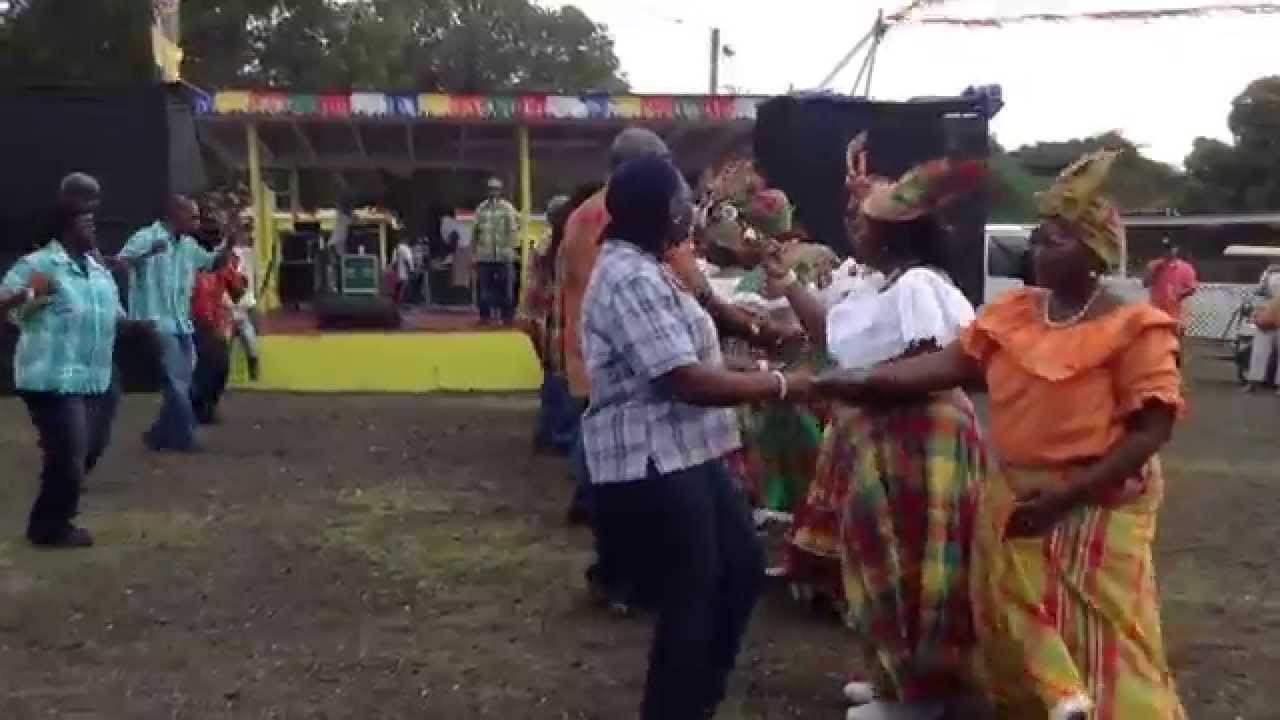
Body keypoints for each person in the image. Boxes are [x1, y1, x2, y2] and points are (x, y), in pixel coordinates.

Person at [817, 150, 1187, 720]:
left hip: (1097, 503)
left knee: (1107, 626)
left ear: (1095, 253)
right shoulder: (1015, 313)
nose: (1039, 251)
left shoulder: (1136, 327)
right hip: (1017, 492)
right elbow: (946, 366)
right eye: (1037, 239)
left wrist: (1069, 495)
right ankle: (1054, 702)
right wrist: (852, 381)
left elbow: (1152, 428)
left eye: (1057, 241)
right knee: (1009, 614)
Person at [580, 154, 812, 720]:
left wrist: (761, 369)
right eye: (681, 200)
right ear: (658, 211)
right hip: (651, 460)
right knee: (696, 593)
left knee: (739, 574)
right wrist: (782, 384)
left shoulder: (650, 265)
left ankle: (697, 703)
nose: (690, 210)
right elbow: (683, 379)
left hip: (687, 451)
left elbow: (696, 356)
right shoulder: (627, 276)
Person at [774, 146, 989, 719]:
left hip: (921, 437)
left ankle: (919, 698)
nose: (852, 229)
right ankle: (892, 678)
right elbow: (833, 336)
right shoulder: (880, 286)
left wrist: (853, 385)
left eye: (859, 221)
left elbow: (933, 363)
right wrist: (788, 284)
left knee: (916, 568)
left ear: (890, 233)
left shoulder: (920, 285)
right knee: (878, 562)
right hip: (884, 435)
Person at [0, 193, 125, 547]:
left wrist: (141, 329)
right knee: (69, 453)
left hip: (96, 378)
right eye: (86, 221)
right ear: (67, 226)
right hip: (50, 378)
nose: (93, 228)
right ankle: (52, 527)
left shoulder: (98, 271)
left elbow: (114, 317)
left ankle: (51, 515)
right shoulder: (39, 264)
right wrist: (27, 293)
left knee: (87, 449)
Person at [114, 195, 232, 453]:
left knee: (183, 382)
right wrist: (147, 252)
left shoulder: (188, 246)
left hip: (181, 323)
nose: (197, 222)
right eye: (192, 216)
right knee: (177, 382)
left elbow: (212, 263)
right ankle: (185, 438)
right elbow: (120, 263)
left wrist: (230, 242)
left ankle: (158, 435)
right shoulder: (146, 237)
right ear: (175, 214)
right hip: (155, 321)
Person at [516, 193, 575, 455]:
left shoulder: (545, 244)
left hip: (545, 319)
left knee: (552, 377)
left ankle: (548, 433)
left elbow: (534, 290)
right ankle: (558, 437)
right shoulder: (566, 245)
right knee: (563, 380)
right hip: (559, 319)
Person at [189, 214, 248, 425]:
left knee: (219, 366)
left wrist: (241, 279)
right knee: (207, 367)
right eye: (208, 233)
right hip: (191, 321)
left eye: (215, 234)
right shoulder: (187, 258)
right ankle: (198, 407)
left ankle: (206, 406)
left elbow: (238, 291)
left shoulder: (221, 263)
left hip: (212, 323)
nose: (212, 237)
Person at [472, 177, 520, 326]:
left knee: (506, 289)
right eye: (491, 188)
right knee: (483, 289)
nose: (493, 191)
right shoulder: (480, 209)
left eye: (496, 189)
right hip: (484, 255)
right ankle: (484, 317)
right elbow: (475, 232)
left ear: (500, 191)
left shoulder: (508, 208)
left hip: (504, 256)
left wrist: (512, 250)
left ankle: (507, 318)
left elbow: (513, 231)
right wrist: (473, 254)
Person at [1144, 238, 1198, 332]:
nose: (1167, 251)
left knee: (1173, 343)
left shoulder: (1185, 267)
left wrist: (1178, 295)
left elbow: (1192, 289)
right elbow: (1145, 283)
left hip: (1176, 316)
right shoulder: (1154, 265)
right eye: (1164, 248)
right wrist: (1152, 271)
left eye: (1169, 248)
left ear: (1175, 249)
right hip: (1157, 313)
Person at [230, 225, 261, 381]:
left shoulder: (249, 254)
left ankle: (253, 371)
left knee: (249, 340)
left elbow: (254, 278)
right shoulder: (232, 253)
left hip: (243, 303)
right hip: (231, 304)